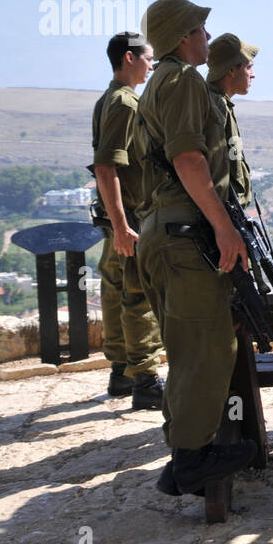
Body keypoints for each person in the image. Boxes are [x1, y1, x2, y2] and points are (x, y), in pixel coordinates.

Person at [134, 0, 257, 497]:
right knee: (206, 346)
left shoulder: (161, 81)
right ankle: (191, 459)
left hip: (168, 232)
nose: (208, 38)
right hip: (186, 234)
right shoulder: (182, 79)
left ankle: (185, 452)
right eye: (202, 30)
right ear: (185, 36)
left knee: (191, 346)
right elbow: (188, 159)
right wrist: (224, 228)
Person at [91, 32, 164, 409]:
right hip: (131, 216)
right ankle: (146, 380)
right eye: (148, 58)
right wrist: (123, 226)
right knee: (140, 297)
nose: (152, 65)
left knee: (117, 291)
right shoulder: (124, 104)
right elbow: (107, 167)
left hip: (119, 216)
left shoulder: (111, 98)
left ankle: (122, 371)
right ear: (129, 58)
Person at [206, 33, 258, 207]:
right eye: (249, 67)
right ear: (232, 69)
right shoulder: (215, 105)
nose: (253, 75)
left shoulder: (221, 103)